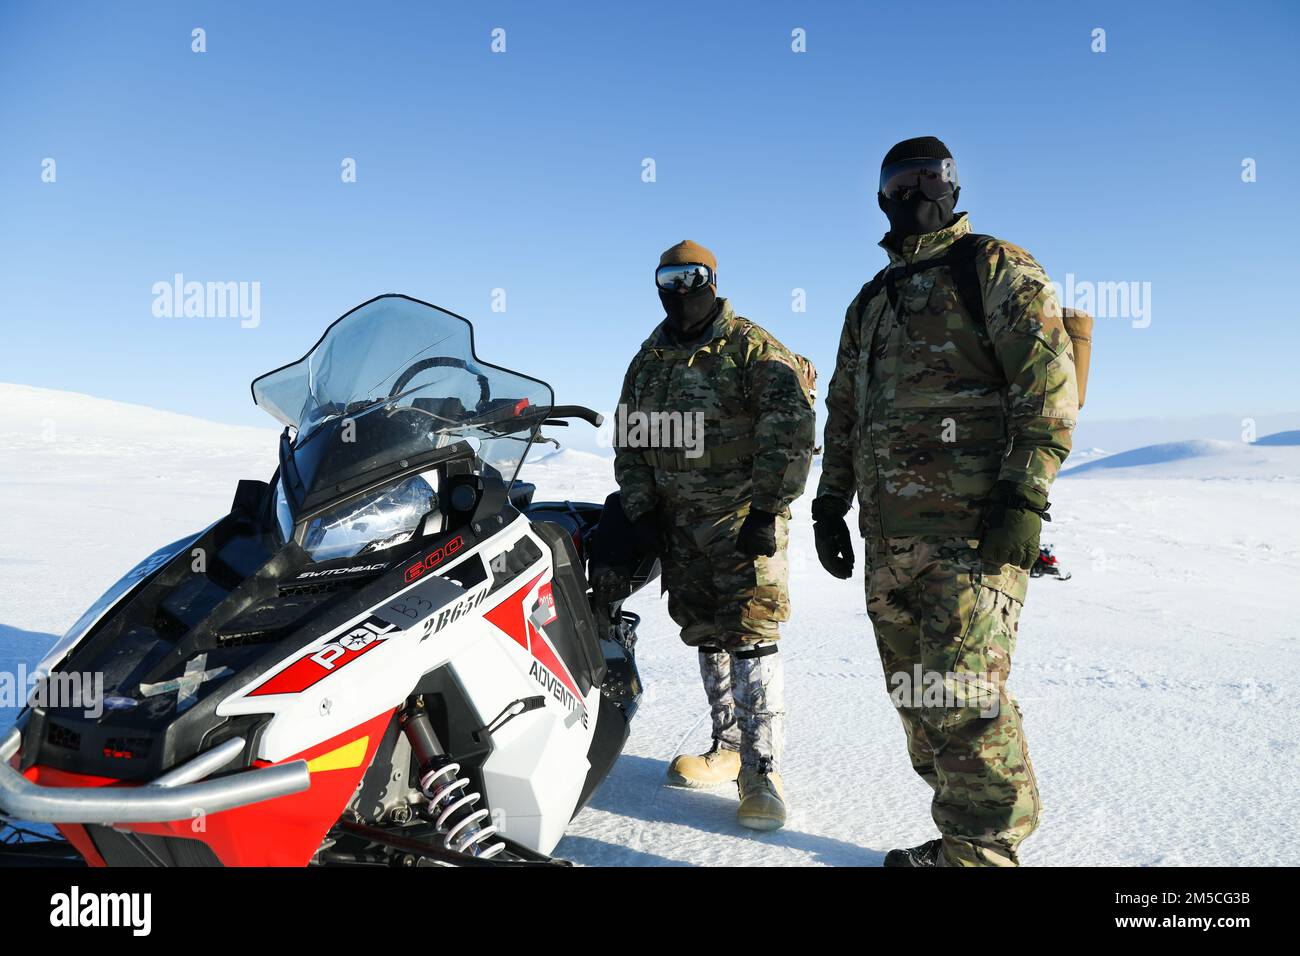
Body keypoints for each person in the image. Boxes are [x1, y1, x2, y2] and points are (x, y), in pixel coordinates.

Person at [812, 137, 1078, 866]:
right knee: (918, 701)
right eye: (902, 181)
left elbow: (1049, 385)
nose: (918, 191)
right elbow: (844, 409)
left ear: (956, 186)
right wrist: (830, 502)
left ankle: (983, 854)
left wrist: (1024, 496)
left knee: (963, 698)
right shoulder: (871, 301)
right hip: (889, 539)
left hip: (973, 533)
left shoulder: (993, 266)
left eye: (934, 177)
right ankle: (962, 835)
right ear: (881, 196)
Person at [613, 240, 816, 830]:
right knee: (705, 632)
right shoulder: (649, 359)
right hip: (679, 525)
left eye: (692, 276)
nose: (680, 289)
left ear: (713, 280)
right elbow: (631, 441)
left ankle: (763, 770)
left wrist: (766, 510)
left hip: (741, 522)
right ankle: (726, 748)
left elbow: (791, 430)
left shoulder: (749, 346)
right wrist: (642, 508)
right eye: (669, 277)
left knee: (752, 634)